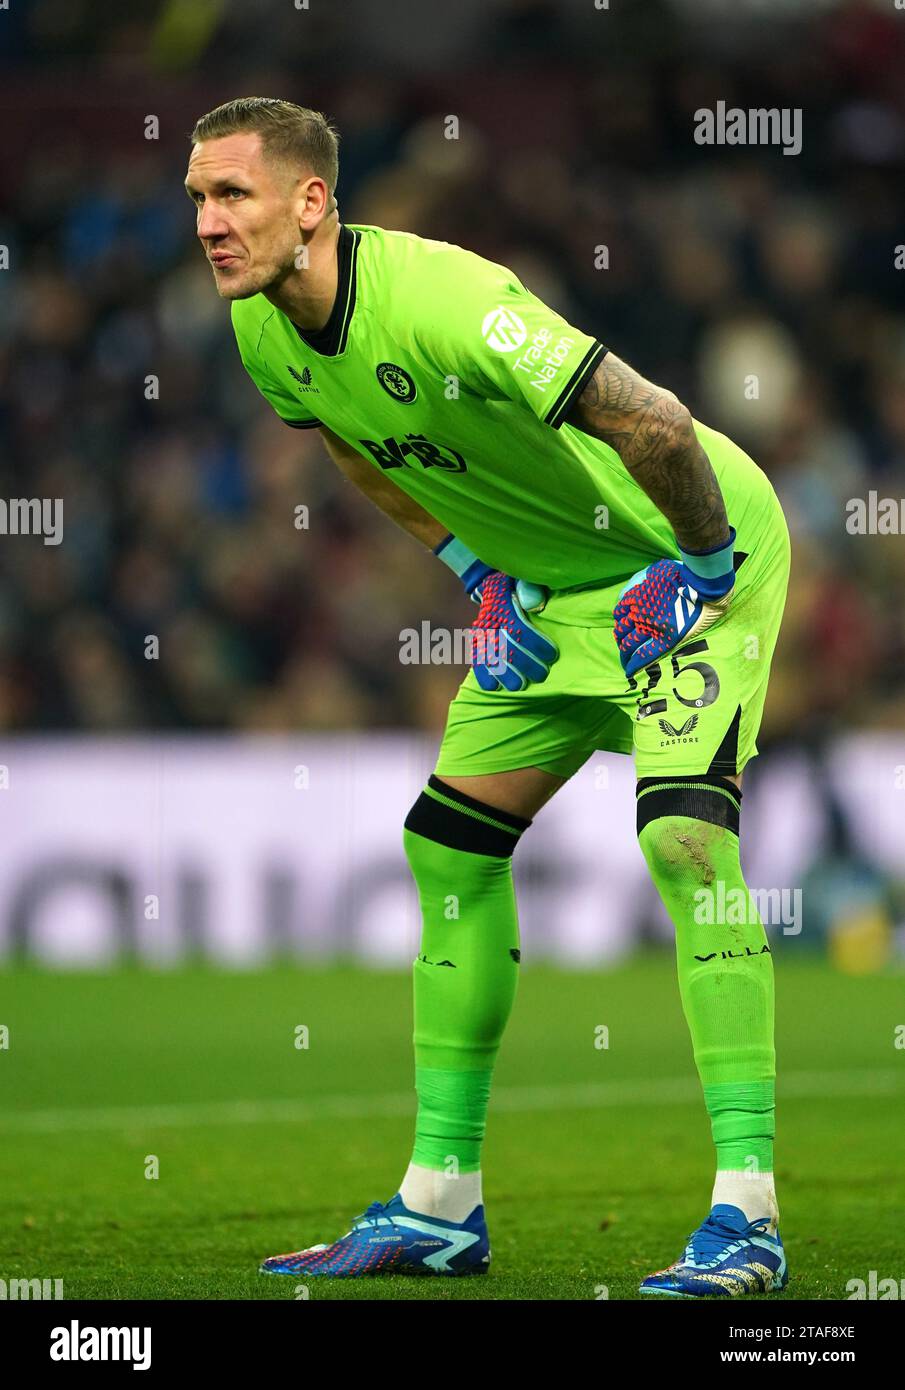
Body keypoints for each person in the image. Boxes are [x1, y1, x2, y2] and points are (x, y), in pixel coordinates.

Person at [186, 96, 790, 1296]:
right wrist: (474, 567)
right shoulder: (265, 329)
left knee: (680, 838)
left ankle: (747, 1219)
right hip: (555, 585)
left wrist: (703, 571)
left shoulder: (448, 300)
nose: (207, 223)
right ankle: (439, 1205)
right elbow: (355, 441)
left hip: (686, 547)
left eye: (231, 195)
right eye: (197, 199)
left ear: (312, 203)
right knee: (447, 851)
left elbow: (653, 420)